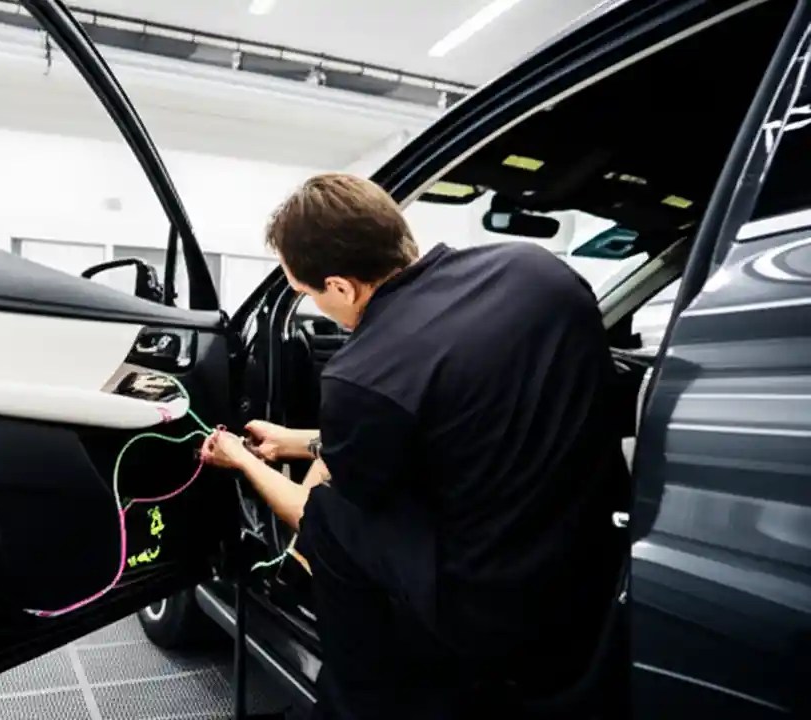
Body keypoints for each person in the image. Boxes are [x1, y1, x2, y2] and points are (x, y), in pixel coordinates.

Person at [200, 173, 628, 719]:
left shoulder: (360, 373)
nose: (313, 302)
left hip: (490, 611)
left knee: (330, 519)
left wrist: (240, 459)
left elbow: (313, 511)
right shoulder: (538, 270)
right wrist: (301, 443)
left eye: (306, 293)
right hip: (599, 565)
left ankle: (359, 702)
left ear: (341, 288)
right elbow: (453, 424)